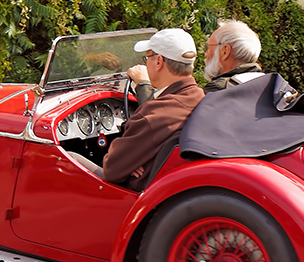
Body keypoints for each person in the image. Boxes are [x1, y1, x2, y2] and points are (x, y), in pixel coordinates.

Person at [71, 28, 205, 190]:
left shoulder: (155, 114)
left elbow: (112, 169)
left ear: (158, 62)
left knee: (70, 158)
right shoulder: (200, 98)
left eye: (147, 57)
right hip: (167, 185)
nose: (145, 63)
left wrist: (126, 161)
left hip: (134, 193)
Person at [129, 19, 263, 99]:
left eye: (208, 47)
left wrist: (143, 84)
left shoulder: (220, 90)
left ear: (225, 51)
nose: (205, 54)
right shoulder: (265, 83)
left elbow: (168, 126)